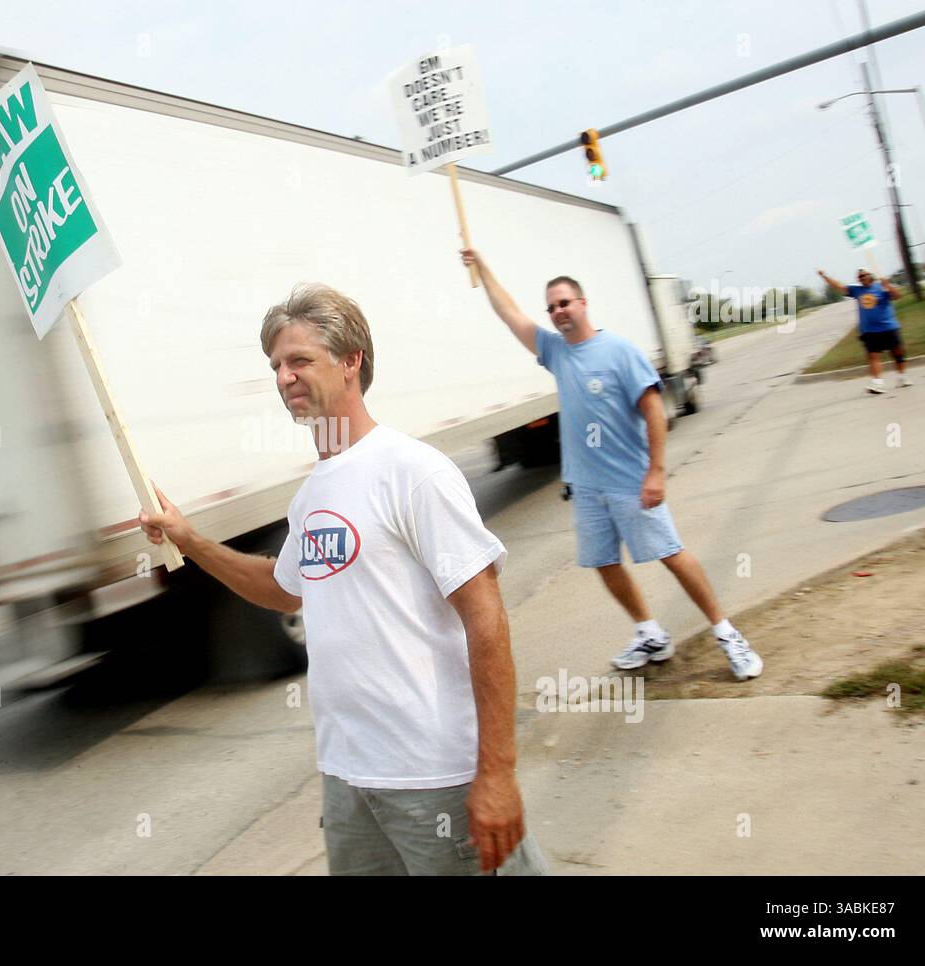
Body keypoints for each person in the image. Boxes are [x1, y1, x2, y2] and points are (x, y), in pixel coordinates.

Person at [138, 283, 546, 876]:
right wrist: (191, 541)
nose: (284, 377)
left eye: (300, 360)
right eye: (276, 366)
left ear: (352, 360)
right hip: (349, 781)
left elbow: (485, 618)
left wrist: (499, 773)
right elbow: (282, 589)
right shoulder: (311, 495)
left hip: (433, 775)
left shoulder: (414, 472)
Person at [460, 249, 763, 682]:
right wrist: (482, 268)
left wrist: (656, 471)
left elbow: (654, 409)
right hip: (586, 487)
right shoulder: (555, 351)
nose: (558, 311)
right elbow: (510, 314)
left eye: (564, 302)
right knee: (603, 561)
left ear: (582, 304)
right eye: (551, 307)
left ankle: (727, 632)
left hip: (631, 482)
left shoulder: (619, 351)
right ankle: (650, 633)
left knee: (672, 555)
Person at [817, 268, 911, 393]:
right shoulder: (857, 290)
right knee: (873, 356)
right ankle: (878, 383)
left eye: (864, 275)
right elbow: (839, 286)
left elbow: (897, 296)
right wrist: (824, 276)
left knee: (897, 353)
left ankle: (902, 377)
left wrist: (888, 286)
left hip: (889, 327)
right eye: (860, 277)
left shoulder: (882, 287)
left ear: (870, 276)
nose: (862, 278)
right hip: (869, 330)